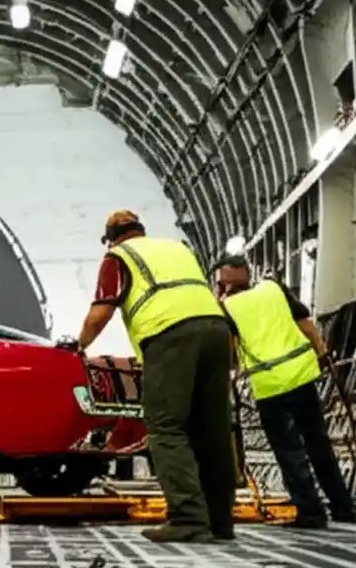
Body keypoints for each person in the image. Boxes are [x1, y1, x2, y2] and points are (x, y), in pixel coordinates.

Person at [75, 210, 237, 543]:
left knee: (165, 426)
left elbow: (101, 311)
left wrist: (79, 345)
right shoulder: (178, 249)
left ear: (112, 238)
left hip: (170, 335)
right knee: (213, 431)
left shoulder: (118, 257)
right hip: (217, 331)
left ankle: (189, 518)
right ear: (141, 231)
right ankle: (220, 522)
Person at [212, 254, 356, 527]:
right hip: (302, 376)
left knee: (290, 452)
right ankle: (343, 507)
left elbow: (230, 355)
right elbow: (305, 323)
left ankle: (311, 513)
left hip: (271, 386)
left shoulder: (227, 308)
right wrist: (323, 354)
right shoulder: (273, 288)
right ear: (247, 273)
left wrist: (228, 377)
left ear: (224, 282)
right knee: (319, 445)